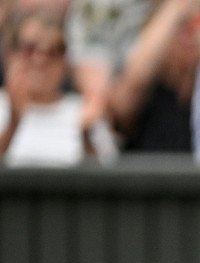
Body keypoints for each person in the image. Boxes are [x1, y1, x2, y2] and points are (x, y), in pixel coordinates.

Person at [106, 0, 200, 161]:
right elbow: (123, 102)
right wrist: (174, 10)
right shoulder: (146, 87)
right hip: (150, 183)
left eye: (194, 27)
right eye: (180, 28)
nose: (189, 37)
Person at [1, 6, 117, 165]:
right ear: (10, 54)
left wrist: (85, 134)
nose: (40, 60)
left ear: (65, 62)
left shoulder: (86, 111)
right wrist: (13, 124)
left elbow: (109, 180)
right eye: (29, 48)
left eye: (53, 51)